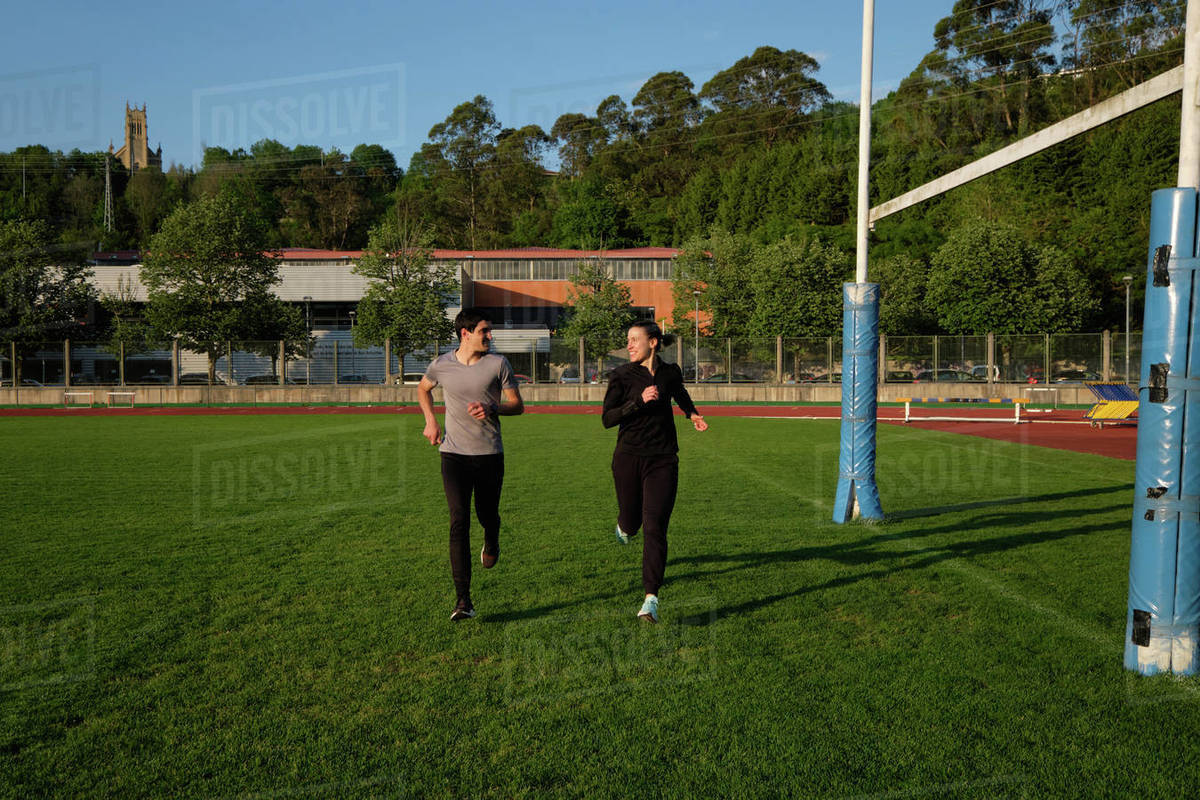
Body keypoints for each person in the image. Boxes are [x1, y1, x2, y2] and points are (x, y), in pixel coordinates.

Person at [418, 308, 524, 621]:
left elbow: (518, 406)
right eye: (484, 331)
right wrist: (430, 421)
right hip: (453, 455)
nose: (490, 336)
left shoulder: (498, 363)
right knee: (458, 521)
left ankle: (492, 538)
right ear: (465, 334)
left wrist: (493, 407)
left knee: (487, 515)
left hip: (490, 454)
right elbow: (423, 389)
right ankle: (463, 600)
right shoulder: (441, 364)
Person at [602, 320, 707, 623]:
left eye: (635, 340)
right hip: (628, 458)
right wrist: (638, 401)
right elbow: (607, 418)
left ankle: (651, 598)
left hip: (663, 459)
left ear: (653, 342)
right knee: (633, 522)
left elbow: (679, 393)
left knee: (655, 526)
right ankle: (624, 527)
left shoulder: (670, 372)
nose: (629, 345)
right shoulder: (620, 375)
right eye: (628, 340)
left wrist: (692, 413)